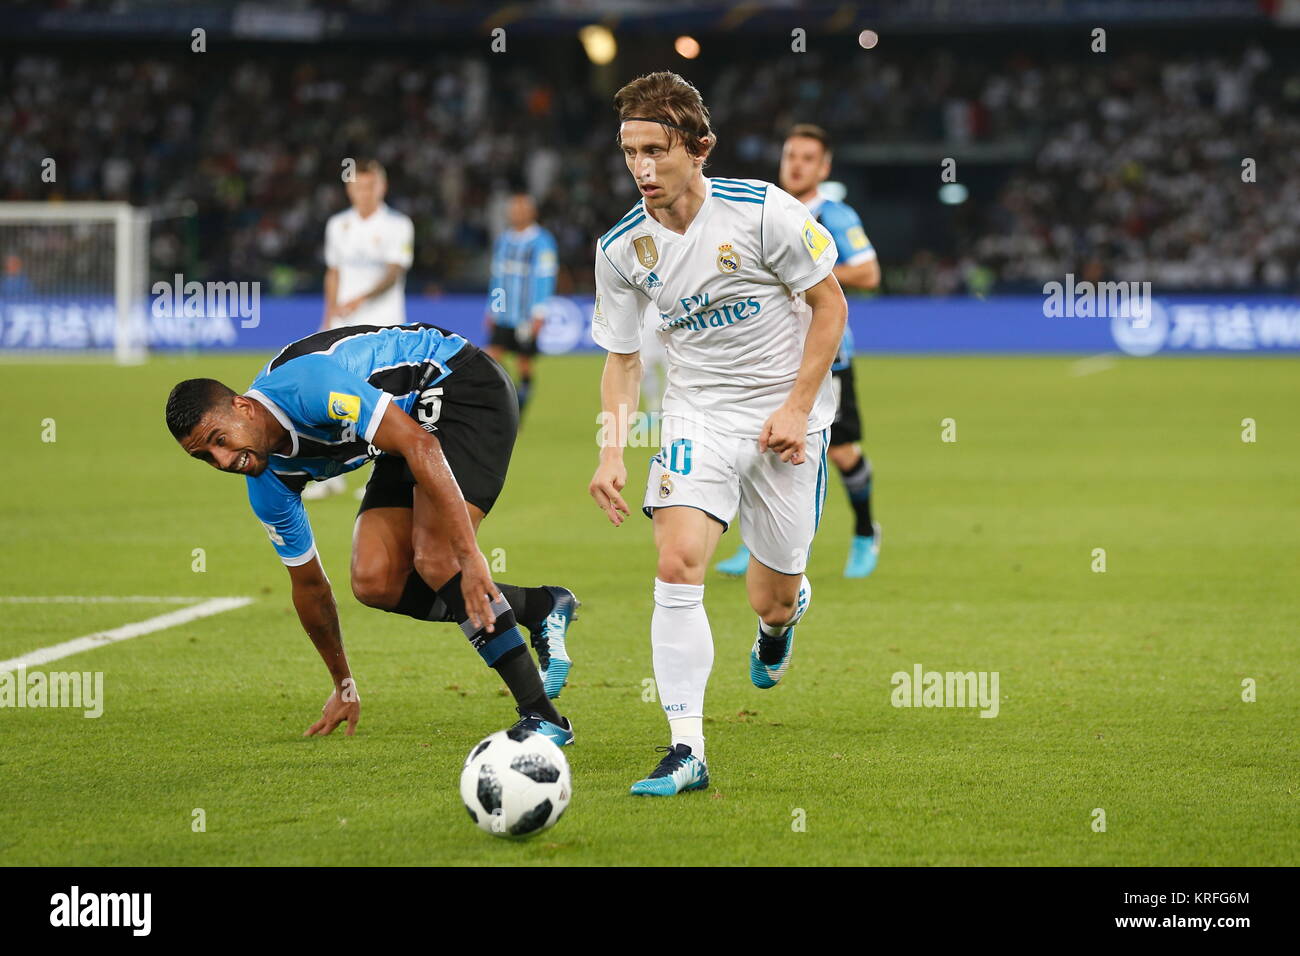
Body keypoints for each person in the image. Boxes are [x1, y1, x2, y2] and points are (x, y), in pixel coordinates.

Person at [587, 72, 847, 796]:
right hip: (694, 417)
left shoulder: (763, 213)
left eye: (656, 150)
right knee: (676, 566)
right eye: (629, 151)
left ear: (699, 148)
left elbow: (830, 308)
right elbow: (623, 357)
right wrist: (612, 448)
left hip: (785, 424)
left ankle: (779, 623)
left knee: (770, 596)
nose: (641, 168)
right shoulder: (620, 249)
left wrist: (796, 407)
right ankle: (687, 749)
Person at [164, 323, 579, 744]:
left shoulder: (309, 388)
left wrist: (469, 558)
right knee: (375, 580)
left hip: (456, 382)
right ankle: (540, 606)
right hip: (404, 430)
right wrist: (343, 682)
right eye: (205, 456)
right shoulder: (266, 481)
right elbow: (309, 587)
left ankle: (542, 716)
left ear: (243, 407)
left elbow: (422, 447)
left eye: (220, 440)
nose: (222, 460)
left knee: (438, 558)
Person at [716, 124, 883, 578]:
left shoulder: (837, 215)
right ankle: (758, 548)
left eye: (808, 158)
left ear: (824, 167)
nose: (797, 164)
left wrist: (805, 272)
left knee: (842, 450)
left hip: (827, 357)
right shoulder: (766, 211)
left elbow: (869, 274)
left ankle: (866, 532)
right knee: (757, 448)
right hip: (769, 354)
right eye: (791, 155)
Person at [309, 159, 414, 500]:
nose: (362, 192)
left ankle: (380, 474)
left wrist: (360, 299)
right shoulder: (338, 225)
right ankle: (330, 474)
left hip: (382, 326)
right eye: (356, 186)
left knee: (382, 399)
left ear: (381, 188)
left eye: (369, 186)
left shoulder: (398, 225)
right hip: (343, 327)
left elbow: (395, 271)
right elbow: (333, 272)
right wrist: (328, 317)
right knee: (333, 397)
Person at [484, 191, 558, 417]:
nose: (516, 213)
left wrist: (539, 313)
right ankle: (511, 396)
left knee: (524, 363)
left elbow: (545, 278)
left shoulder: (542, 241)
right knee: (491, 357)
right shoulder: (504, 241)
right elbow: (497, 278)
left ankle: (520, 410)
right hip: (505, 315)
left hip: (526, 315)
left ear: (532, 212)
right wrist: (493, 309)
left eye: (521, 209)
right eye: (513, 209)